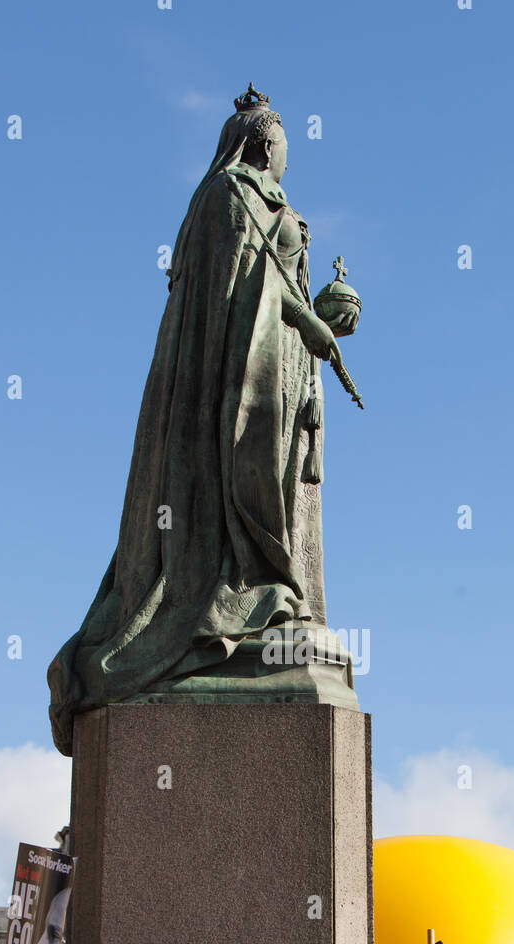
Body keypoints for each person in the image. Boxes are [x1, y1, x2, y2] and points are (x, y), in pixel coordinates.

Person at [49, 84, 346, 756]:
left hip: (278, 370)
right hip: (231, 380)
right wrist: (305, 320)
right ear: (262, 144)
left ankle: (267, 592)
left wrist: (324, 319)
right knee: (230, 477)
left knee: (272, 483)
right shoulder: (226, 197)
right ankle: (227, 598)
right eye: (282, 150)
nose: (285, 163)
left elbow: (283, 294)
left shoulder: (267, 203)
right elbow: (243, 291)